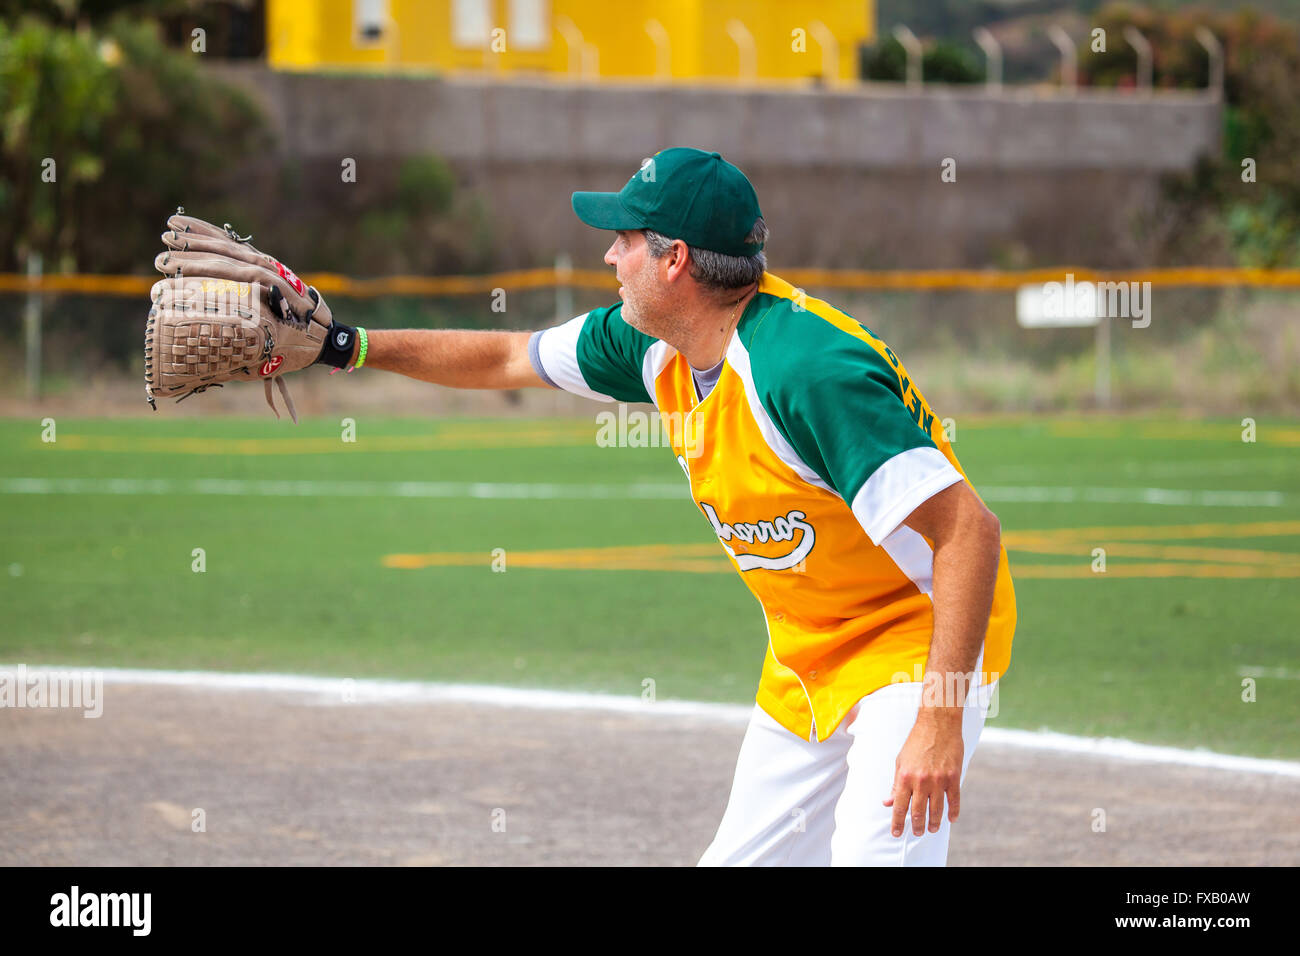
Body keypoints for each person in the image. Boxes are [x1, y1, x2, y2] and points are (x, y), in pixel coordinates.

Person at [329, 147, 1016, 866]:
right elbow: (505, 357)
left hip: (915, 644)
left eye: (622, 240)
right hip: (807, 652)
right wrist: (348, 347)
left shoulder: (804, 372)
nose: (607, 256)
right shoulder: (650, 345)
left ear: (674, 260)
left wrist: (941, 714)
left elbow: (969, 530)